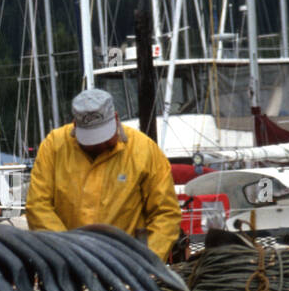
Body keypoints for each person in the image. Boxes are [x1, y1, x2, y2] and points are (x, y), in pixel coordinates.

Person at [25, 88, 182, 261]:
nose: (99, 145)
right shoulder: (54, 146)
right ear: (75, 126)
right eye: (91, 140)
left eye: (104, 137)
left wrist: (147, 263)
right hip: (67, 266)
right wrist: (68, 253)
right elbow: (38, 206)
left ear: (116, 118)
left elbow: (166, 213)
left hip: (128, 266)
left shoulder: (145, 150)